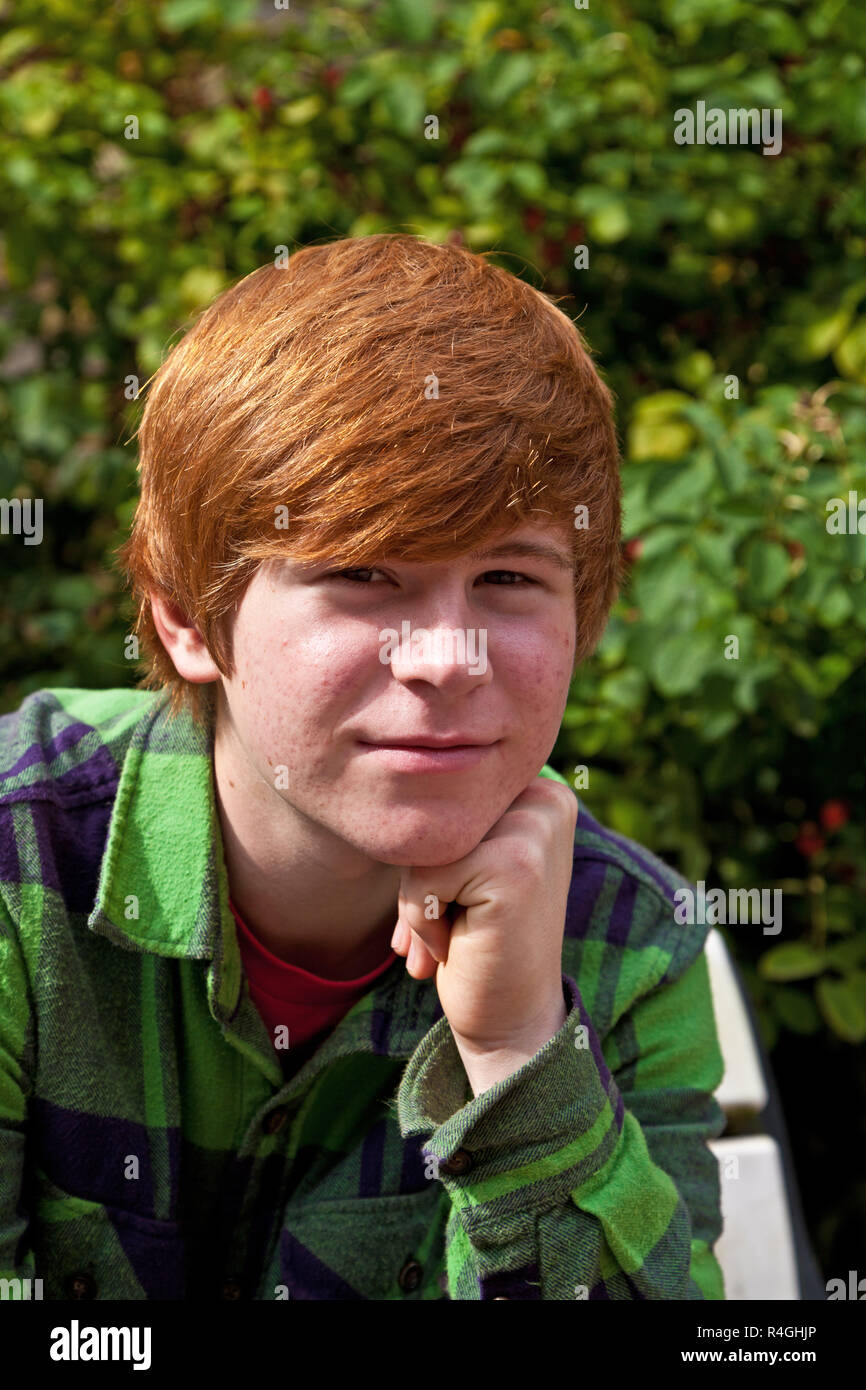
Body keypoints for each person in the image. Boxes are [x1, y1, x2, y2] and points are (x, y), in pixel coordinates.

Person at [0, 233, 725, 1300]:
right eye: (364, 574)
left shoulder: (623, 938)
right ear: (185, 616)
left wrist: (523, 1052)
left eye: (508, 579)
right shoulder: (22, 865)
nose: (447, 657)